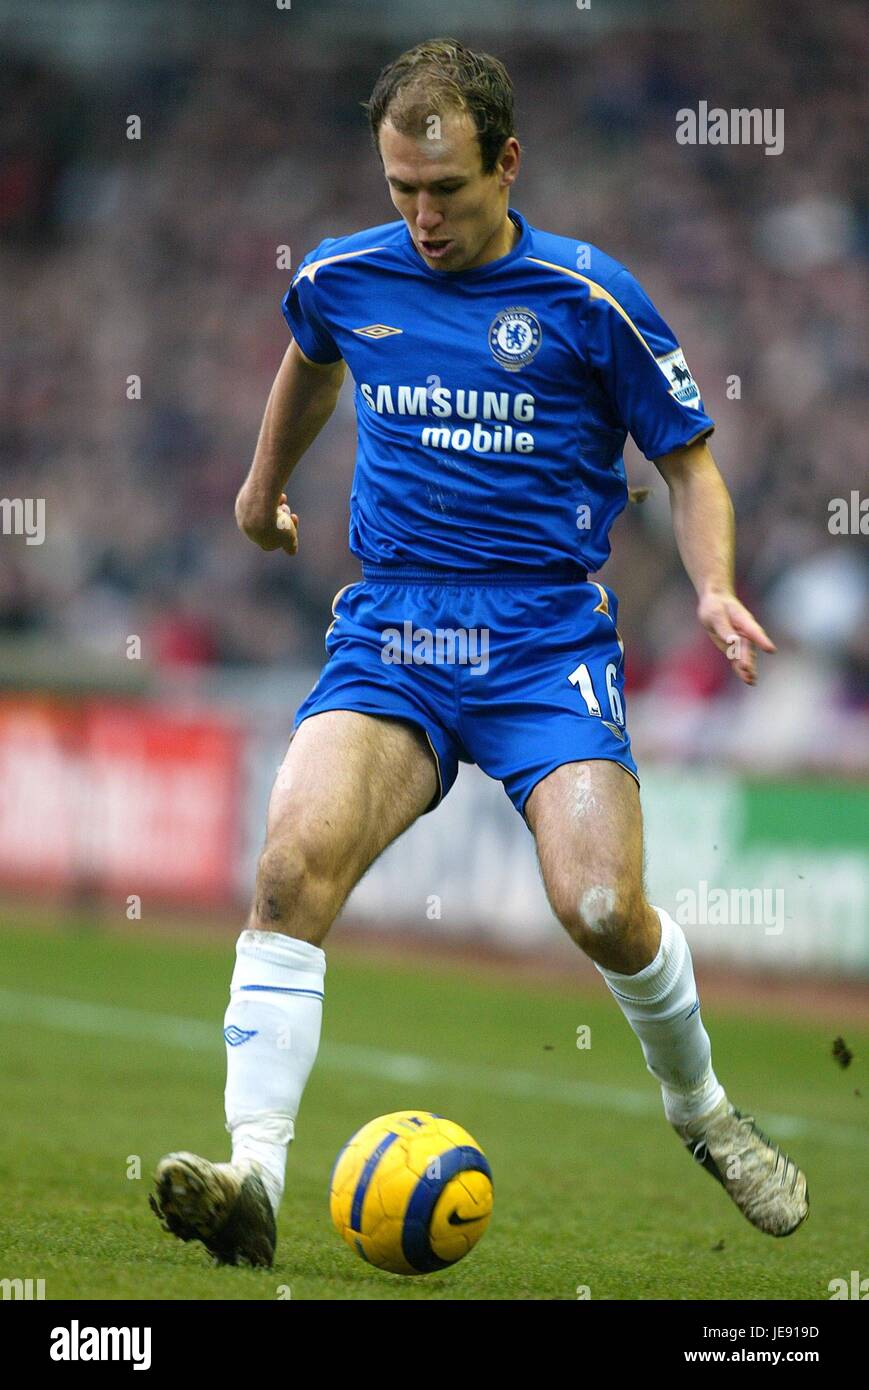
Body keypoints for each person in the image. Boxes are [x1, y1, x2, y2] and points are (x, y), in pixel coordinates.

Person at [150, 38, 807, 1268]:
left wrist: (713, 586)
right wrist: (258, 489)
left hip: (542, 637)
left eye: (444, 190)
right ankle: (251, 1173)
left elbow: (688, 461)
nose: (421, 216)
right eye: (399, 188)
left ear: (507, 165)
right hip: (394, 629)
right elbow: (309, 353)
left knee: (601, 906)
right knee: (291, 869)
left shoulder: (589, 298)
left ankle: (701, 1111)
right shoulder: (349, 274)